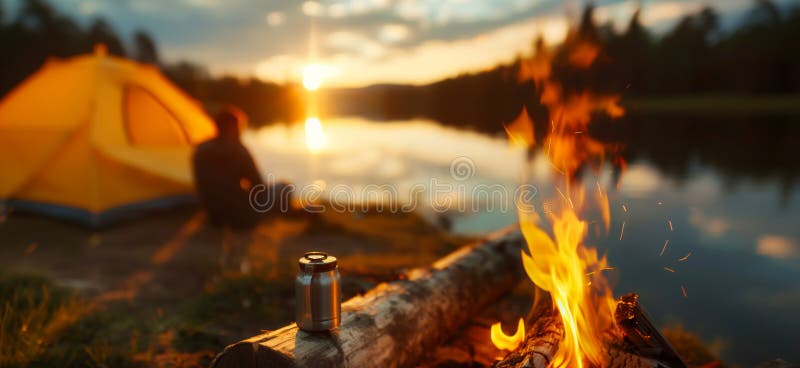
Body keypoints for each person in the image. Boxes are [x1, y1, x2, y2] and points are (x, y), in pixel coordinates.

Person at [192, 106, 290, 229]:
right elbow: (258, 185)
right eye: (240, 126)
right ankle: (282, 216)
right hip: (242, 218)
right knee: (285, 186)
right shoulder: (238, 151)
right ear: (234, 128)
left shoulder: (201, 149)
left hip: (213, 215)